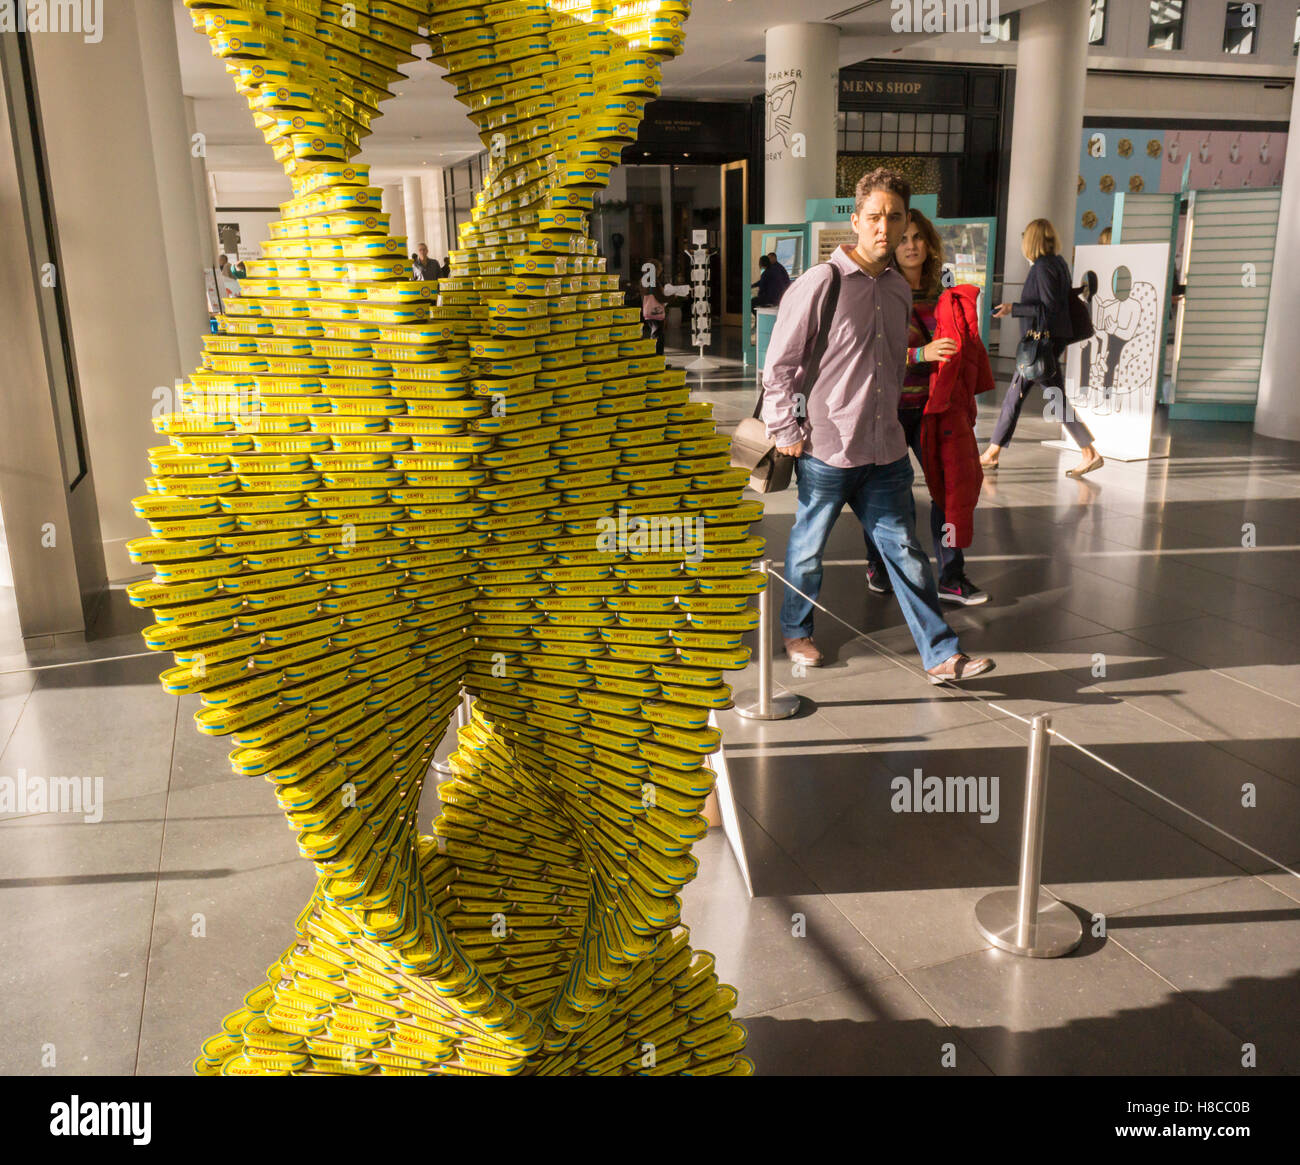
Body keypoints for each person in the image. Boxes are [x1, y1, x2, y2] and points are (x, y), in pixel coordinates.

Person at [762, 168, 995, 685]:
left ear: (906, 219)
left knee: (907, 555)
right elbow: (778, 365)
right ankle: (796, 630)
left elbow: (892, 362)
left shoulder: (895, 289)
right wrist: (787, 430)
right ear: (857, 219)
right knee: (807, 549)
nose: (884, 228)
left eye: (894, 217)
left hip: (885, 448)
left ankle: (941, 653)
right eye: (874, 217)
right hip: (826, 447)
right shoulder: (821, 283)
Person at [862, 209, 988, 605]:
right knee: (884, 494)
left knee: (947, 491)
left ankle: (952, 575)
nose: (911, 245)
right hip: (890, 409)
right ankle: (878, 565)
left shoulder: (943, 292)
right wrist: (922, 353)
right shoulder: (882, 290)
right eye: (903, 238)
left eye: (917, 237)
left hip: (936, 409)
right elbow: (870, 352)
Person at [982, 218, 1104, 479]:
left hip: (1040, 344)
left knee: (1035, 396)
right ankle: (992, 453)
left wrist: (1012, 308)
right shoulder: (1057, 262)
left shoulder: (1042, 267)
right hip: (1048, 341)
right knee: (1021, 396)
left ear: (1030, 241)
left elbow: (1047, 308)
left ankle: (1089, 452)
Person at [640, 259, 666, 355]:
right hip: (655, 312)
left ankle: (656, 359)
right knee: (658, 336)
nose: (661, 270)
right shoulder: (653, 281)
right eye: (660, 268)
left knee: (655, 334)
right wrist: (673, 296)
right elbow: (660, 297)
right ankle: (657, 359)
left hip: (648, 311)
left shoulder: (644, 281)